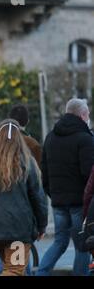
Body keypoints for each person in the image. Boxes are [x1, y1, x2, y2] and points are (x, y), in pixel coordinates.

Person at [0, 119, 48, 276]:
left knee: (13, 267)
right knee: (15, 270)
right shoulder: (26, 162)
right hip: (17, 231)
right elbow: (38, 198)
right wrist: (42, 226)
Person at [36, 98, 94, 276]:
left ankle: (41, 273)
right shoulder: (85, 139)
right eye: (89, 114)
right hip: (79, 203)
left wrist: (53, 194)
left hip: (58, 202)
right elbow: (89, 174)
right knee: (82, 246)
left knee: (59, 242)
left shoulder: (51, 137)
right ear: (83, 115)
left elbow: (44, 170)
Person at [0, 104, 42, 276]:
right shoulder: (30, 148)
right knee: (14, 269)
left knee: (16, 263)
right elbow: (37, 192)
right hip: (18, 223)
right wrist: (42, 224)